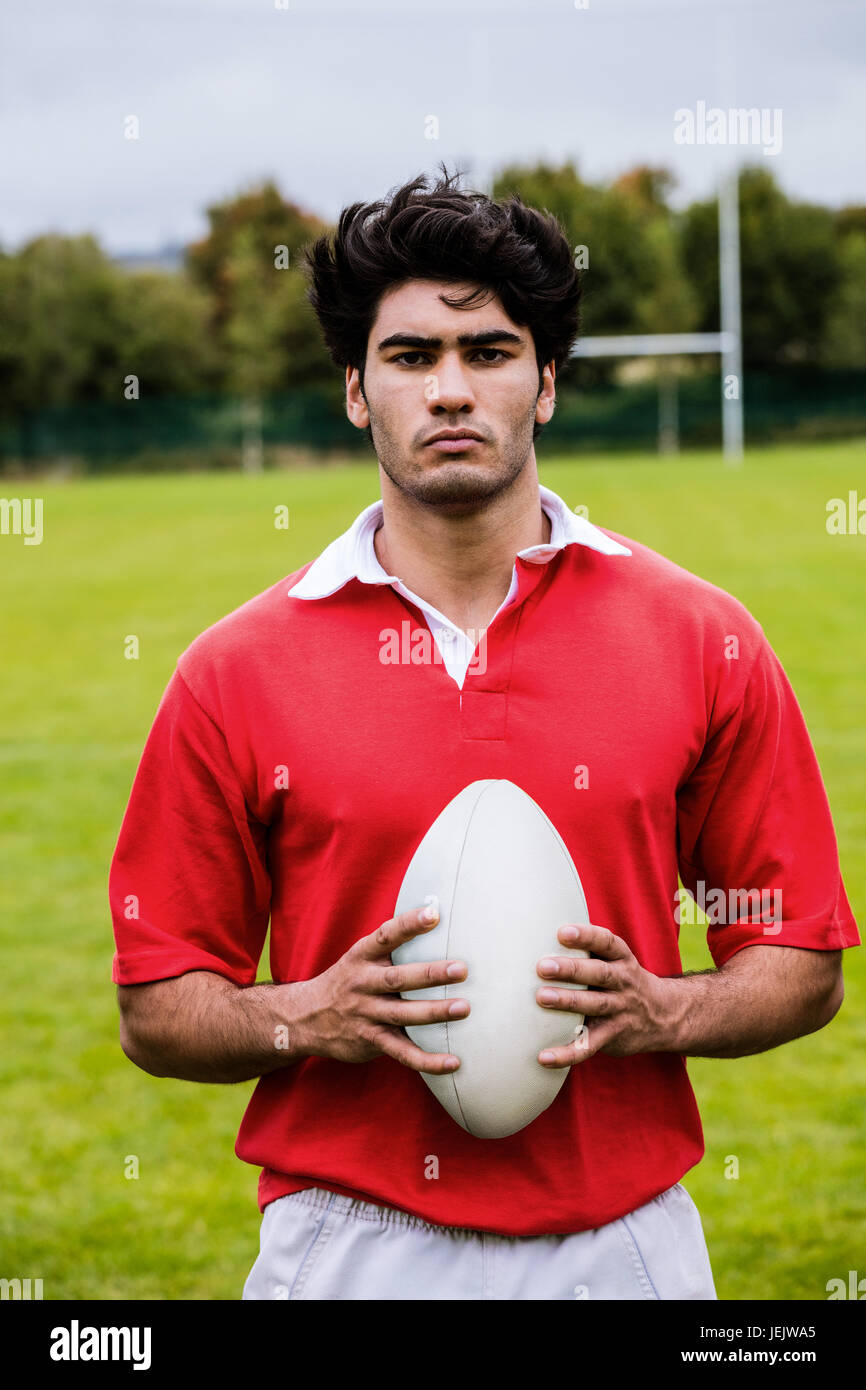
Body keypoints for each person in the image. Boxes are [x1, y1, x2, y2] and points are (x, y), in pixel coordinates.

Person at [110, 167, 859, 1301]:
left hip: (623, 1245)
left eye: (490, 353)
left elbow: (797, 954)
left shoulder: (700, 636)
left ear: (547, 384)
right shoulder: (231, 671)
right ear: (356, 392)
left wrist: (670, 1010)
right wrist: (303, 1013)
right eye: (410, 357)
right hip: (348, 1242)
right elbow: (158, 1004)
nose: (449, 390)